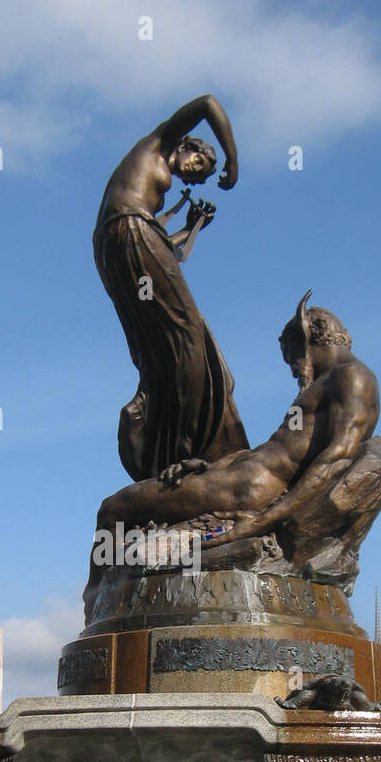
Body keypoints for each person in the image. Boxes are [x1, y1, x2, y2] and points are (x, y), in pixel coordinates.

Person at [87, 294, 381, 596]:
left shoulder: (352, 377)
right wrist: (209, 466)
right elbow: (273, 452)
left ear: (308, 338)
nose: (294, 368)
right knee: (120, 512)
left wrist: (265, 520)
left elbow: (337, 459)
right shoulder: (333, 381)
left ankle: (96, 606)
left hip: (247, 489)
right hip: (241, 478)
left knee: (114, 509)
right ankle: (113, 606)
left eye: (292, 357)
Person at [94, 94, 249, 481]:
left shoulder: (149, 188)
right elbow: (208, 104)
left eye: (206, 174)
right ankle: (189, 447)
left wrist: (192, 227)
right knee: (189, 336)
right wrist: (232, 159)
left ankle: (154, 430)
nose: (199, 173)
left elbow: (164, 252)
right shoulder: (159, 143)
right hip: (131, 231)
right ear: (188, 145)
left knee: (161, 346)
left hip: (118, 242)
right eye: (202, 163)